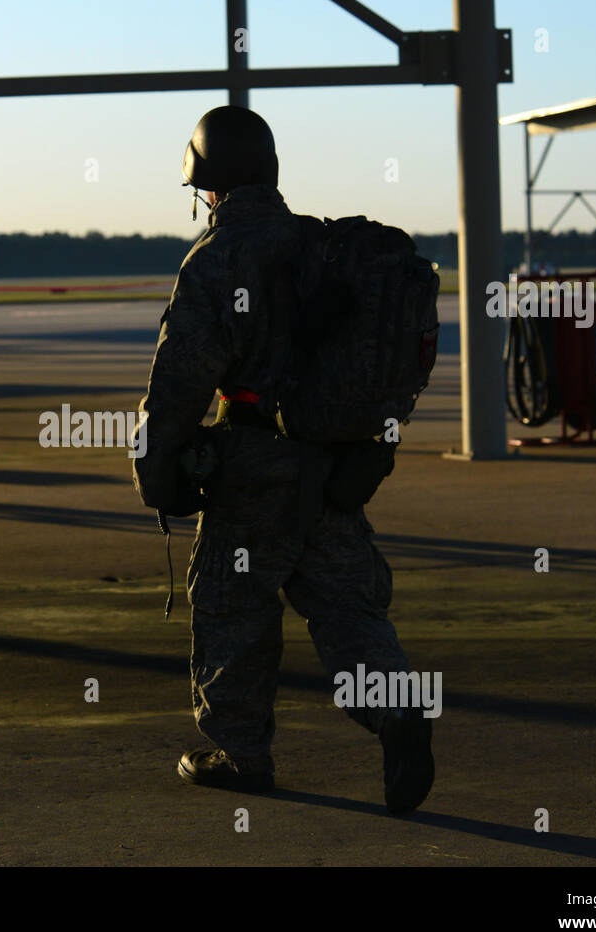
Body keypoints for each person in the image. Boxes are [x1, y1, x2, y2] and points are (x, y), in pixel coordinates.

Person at [131, 105, 434, 814]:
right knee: (346, 606)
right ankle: (394, 708)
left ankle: (240, 752)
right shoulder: (318, 245)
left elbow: (178, 383)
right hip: (331, 469)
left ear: (211, 185)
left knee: (232, 605)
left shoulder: (219, 259)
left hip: (253, 471)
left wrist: (158, 472)